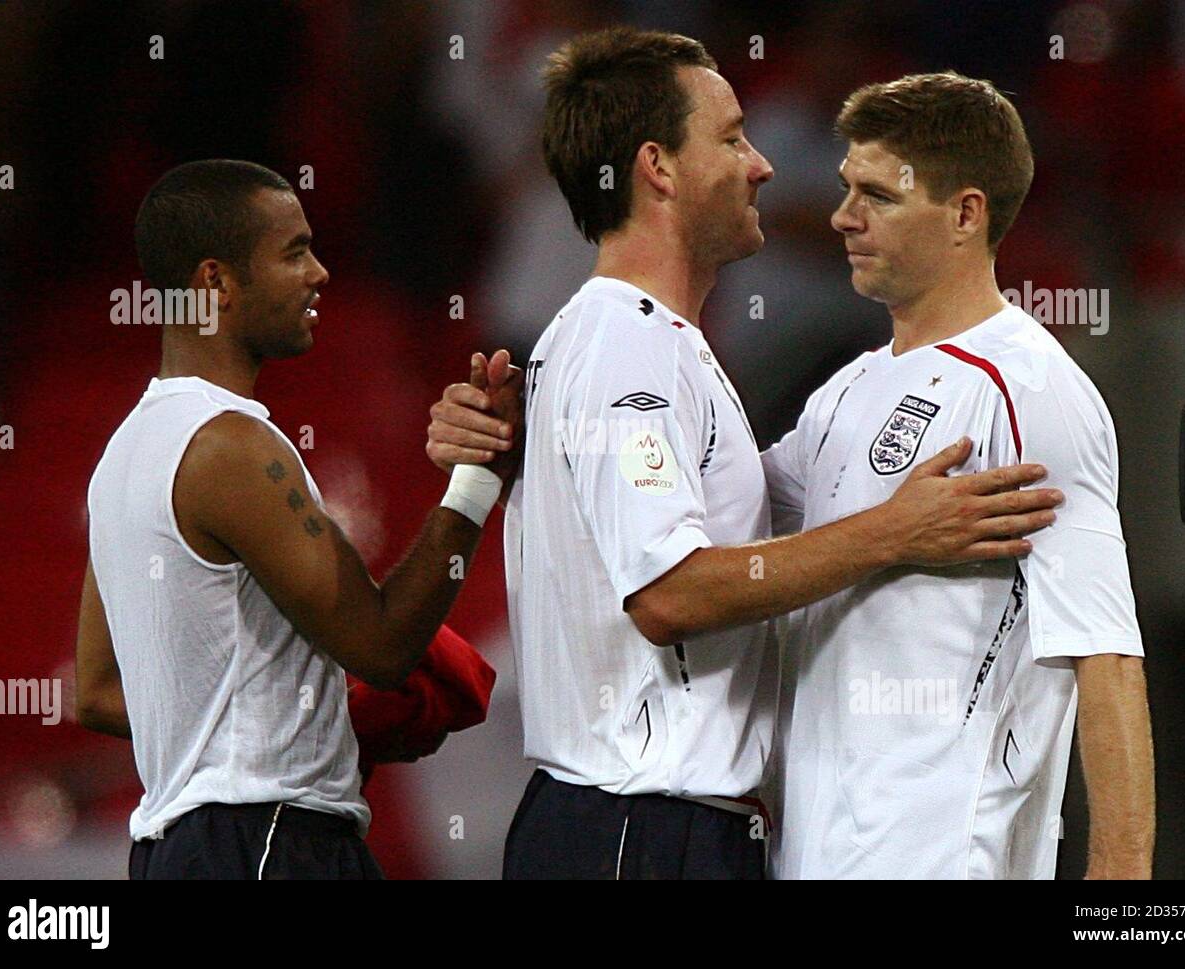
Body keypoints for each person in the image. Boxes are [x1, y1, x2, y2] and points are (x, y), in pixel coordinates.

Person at [424, 28, 1061, 880]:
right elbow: (667, 590)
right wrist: (897, 533)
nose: (761, 166)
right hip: (639, 832)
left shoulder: (653, 344)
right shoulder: (626, 347)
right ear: (657, 168)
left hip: (653, 828)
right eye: (730, 139)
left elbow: (769, 499)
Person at [761, 72, 1153, 879]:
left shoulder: (1031, 390)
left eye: (877, 195)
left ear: (965, 214)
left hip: (945, 858)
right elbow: (724, 514)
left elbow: (1107, 659)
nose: (843, 216)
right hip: (816, 853)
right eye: (846, 189)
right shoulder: (845, 391)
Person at [75, 159, 506, 879]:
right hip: (271, 843)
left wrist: (295, 719)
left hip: (175, 852)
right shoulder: (232, 446)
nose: (320, 274)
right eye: (294, 251)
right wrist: (476, 482)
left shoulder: (122, 456)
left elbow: (97, 691)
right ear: (215, 282)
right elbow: (381, 642)